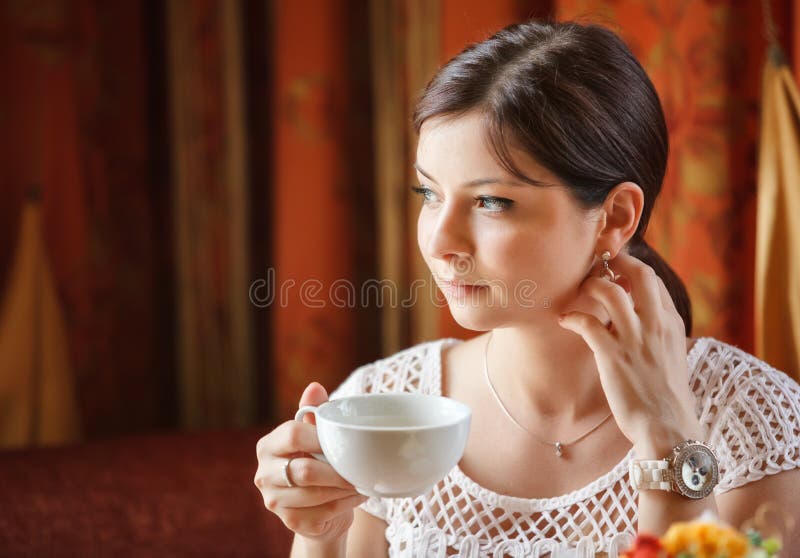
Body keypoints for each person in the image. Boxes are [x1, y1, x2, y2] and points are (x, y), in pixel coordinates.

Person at [254, 20, 800, 557]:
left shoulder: (754, 420)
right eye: (429, 193)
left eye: (492, 202)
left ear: (615, 216)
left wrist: (668, 439)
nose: (440, 242)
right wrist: (322, 533)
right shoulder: (377, 406)